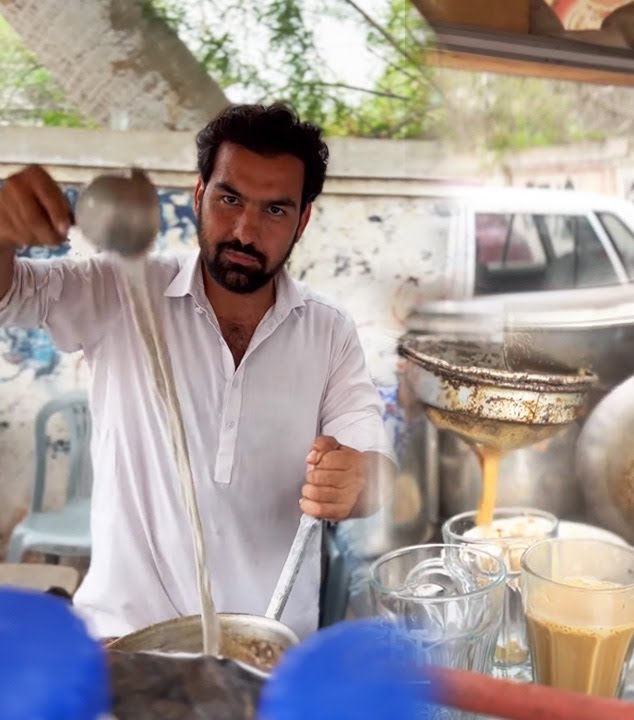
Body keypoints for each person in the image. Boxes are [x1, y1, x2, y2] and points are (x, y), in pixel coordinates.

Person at [0, 102, 394, 640]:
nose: (245, 232)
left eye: (275, 211)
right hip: (126, 641)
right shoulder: (124, 287)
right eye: (229, 199)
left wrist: (358, 481)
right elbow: (13, 294)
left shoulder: (328, 333)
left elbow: (375, 470)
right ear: (199, 194)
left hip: (268, 648)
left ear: (302, 221)